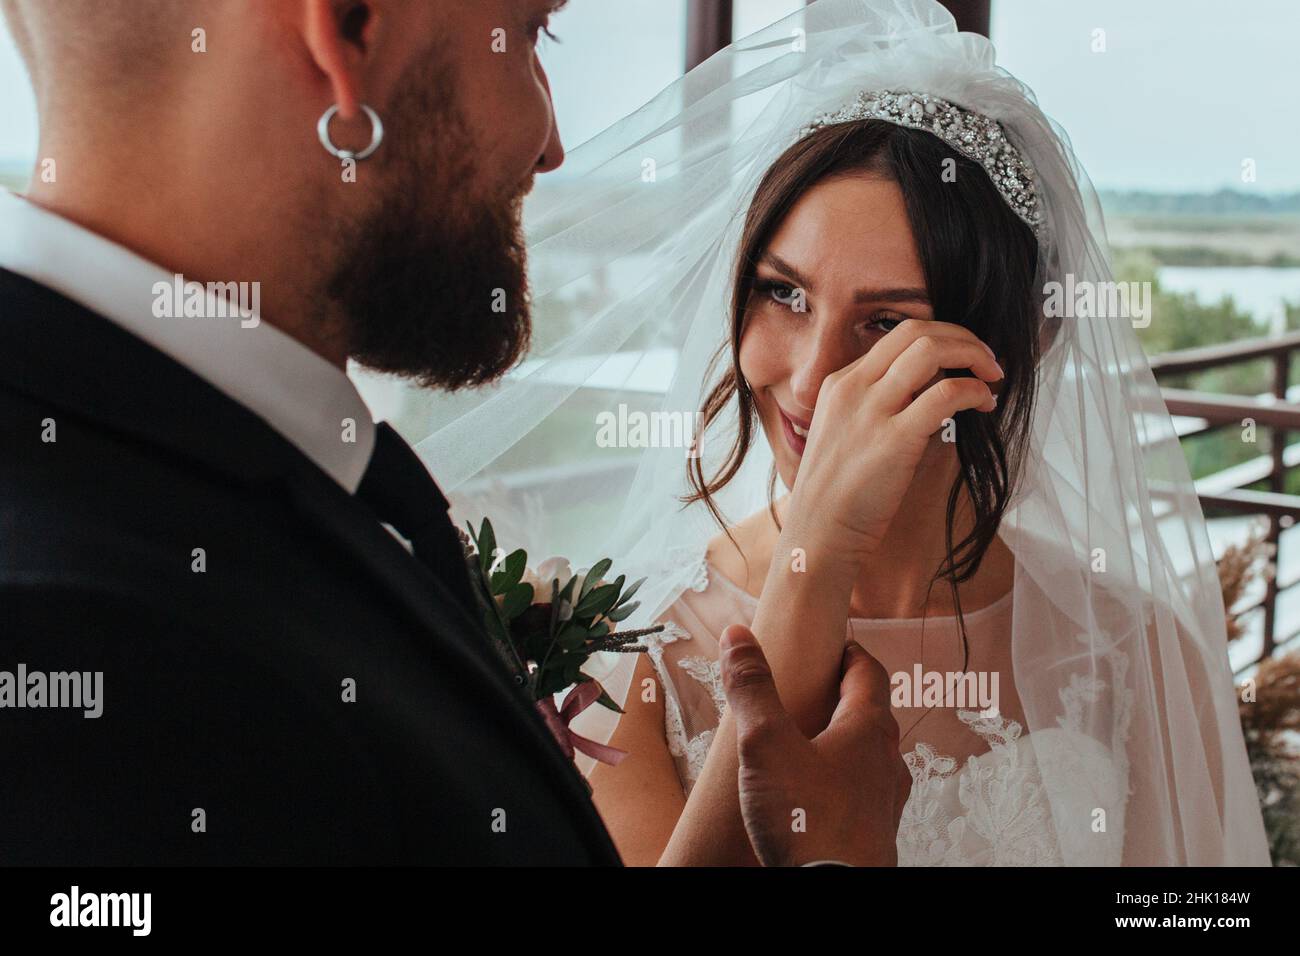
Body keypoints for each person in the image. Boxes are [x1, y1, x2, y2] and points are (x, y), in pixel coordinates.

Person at [0, 0, 902, 865]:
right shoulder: (85, 649)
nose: (550, 145)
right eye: (527, 29)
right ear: (346, 30)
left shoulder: (220, 479)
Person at [418, 0, 1273, 865]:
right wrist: (818, 551)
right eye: (783, 293)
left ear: (1022, 344)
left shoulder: (1135, 652)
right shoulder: (629, 656)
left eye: (884, 324)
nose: (811, 379)